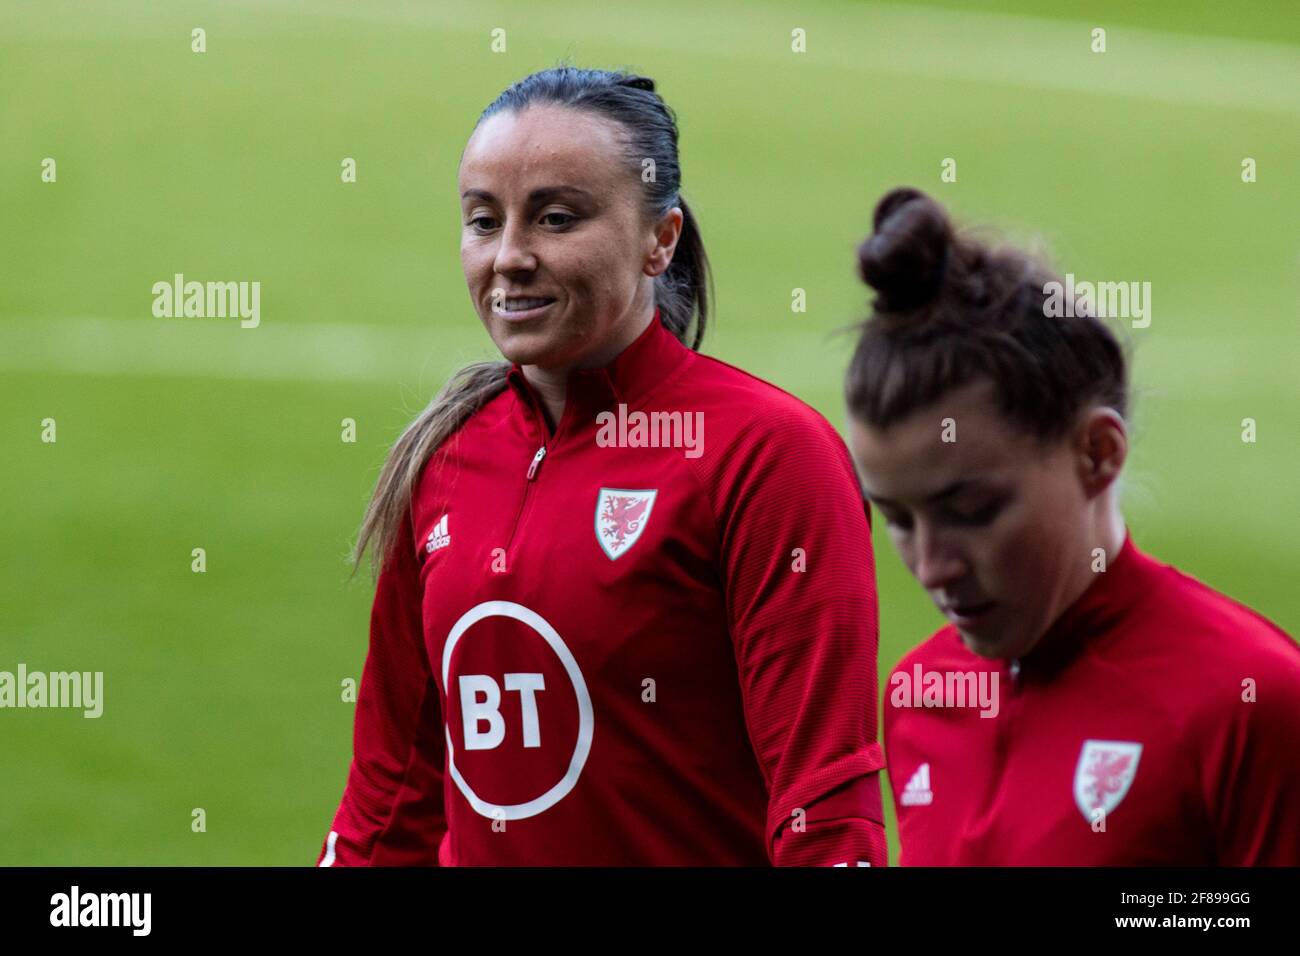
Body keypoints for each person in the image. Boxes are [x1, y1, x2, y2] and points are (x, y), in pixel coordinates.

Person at [316, 67, 887, 866]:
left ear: (662, 239)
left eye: (555, 218)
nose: (509, 258)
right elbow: (388, 800)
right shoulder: (443, 461)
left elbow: (825, 807)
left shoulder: (769, 457)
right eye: (484, 221)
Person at [843, 187, 1300, 865]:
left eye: (973, 512)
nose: (932, 567)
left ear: (1097, 453)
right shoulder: (919, 694)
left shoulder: (1253, 704)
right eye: (898, 520)